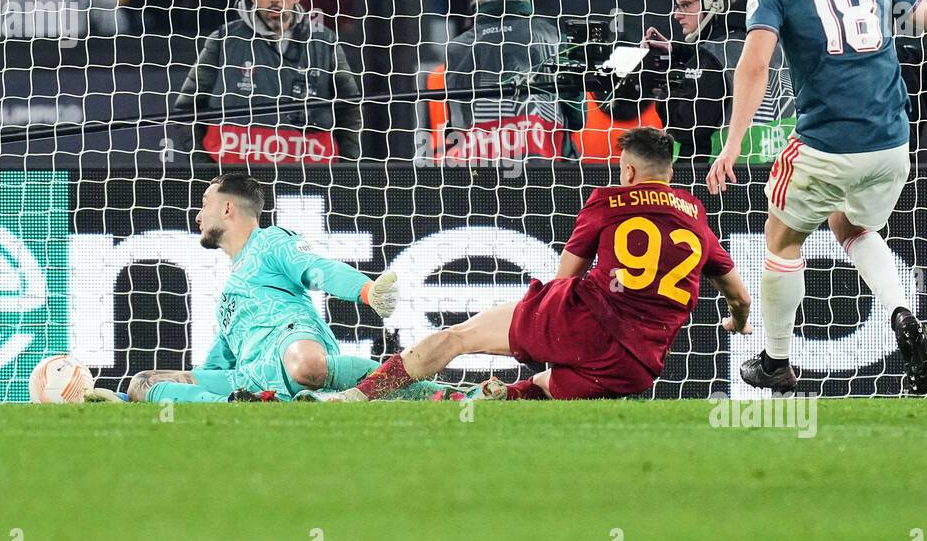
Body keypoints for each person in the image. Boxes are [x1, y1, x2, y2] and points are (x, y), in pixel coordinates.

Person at [706, 0, 927, 395]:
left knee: (782, 239)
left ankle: (775, 358)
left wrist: (732, 144)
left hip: (828, 144)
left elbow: (754, 67)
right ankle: (902, 312)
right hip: (893, 144)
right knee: (849, 224)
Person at [316, 127, 752, 402]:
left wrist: (539, 320)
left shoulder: (609, 201)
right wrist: (737, 323)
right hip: (637, 367)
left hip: (585, 323)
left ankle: (358, 395)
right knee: (548, 385)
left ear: (630, 171)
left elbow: (566, 279)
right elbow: (740, 296)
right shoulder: (696, 216)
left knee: (456, 338)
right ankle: (501, 395)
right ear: (670, 173)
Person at [105, 174, 454, 403]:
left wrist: (366, 290)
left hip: (293, 341)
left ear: (227, 208)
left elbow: (317, 269)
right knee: (143, 382)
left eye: (205, 204)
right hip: (252, 380)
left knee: (305, 366)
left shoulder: (270, 241)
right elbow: (216, 365)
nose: (198, 216)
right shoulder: (228, 297)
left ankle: (433, 393)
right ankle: (239, 406)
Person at [174, 0, 362, 163]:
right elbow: (186, 109)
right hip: (236, 180)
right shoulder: (223, 40)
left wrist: (347, 171)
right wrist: (204, 167)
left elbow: (350, 108)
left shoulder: (324, 41)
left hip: (307, 178)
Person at [441, 0, 581, 160]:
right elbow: (577, 118)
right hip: (549, 172)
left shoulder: (457, 48)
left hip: (482, 173)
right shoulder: (553, 37)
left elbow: (457, 125)